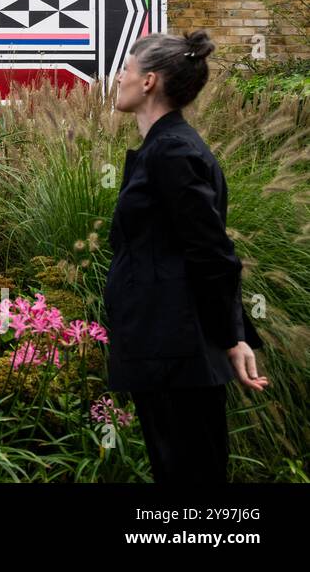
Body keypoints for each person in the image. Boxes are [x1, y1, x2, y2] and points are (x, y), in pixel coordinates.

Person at [105, 28, 267, 484]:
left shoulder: (172, 151)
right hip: (166, 350)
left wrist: (231, 336)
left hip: (177, 352)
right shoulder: (162, 149)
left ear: (149, 81)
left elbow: (213, 253)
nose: (120, 77)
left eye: (128, 68)